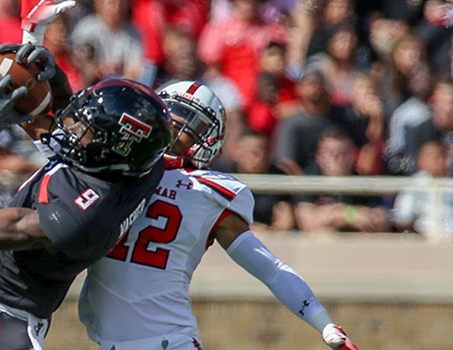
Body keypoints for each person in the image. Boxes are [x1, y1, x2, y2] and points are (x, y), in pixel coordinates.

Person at [0, 75, 172, 349]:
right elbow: (66, 129)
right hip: (6, 318)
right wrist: (52, 73)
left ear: (114, 148)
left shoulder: (77, 218)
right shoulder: (139, 169)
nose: (72, 127)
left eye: (88, 130)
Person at [78, 81, 357, 350]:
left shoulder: (207, 191)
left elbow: (270, 269)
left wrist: (323, 322)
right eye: (170, 116)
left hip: (169, 341)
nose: (174, 127)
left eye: (189, 122)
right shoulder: (111, 168)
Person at [293, 128, 391, 233]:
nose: (337, 159)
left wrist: (329, 215)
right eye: (331, 153)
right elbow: (308, 222)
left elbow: (382, 222)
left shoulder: (362, 183)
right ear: (319, 157)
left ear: (353, 156)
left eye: (343, 153)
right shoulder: (310, 180)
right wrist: (349, 215)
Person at [393, 141, 453, 236]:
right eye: (433, 157)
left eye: (443, 156)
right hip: (422, 239)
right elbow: (403, 218)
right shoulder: (414, 184)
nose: (439, 160)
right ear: (421, 161)